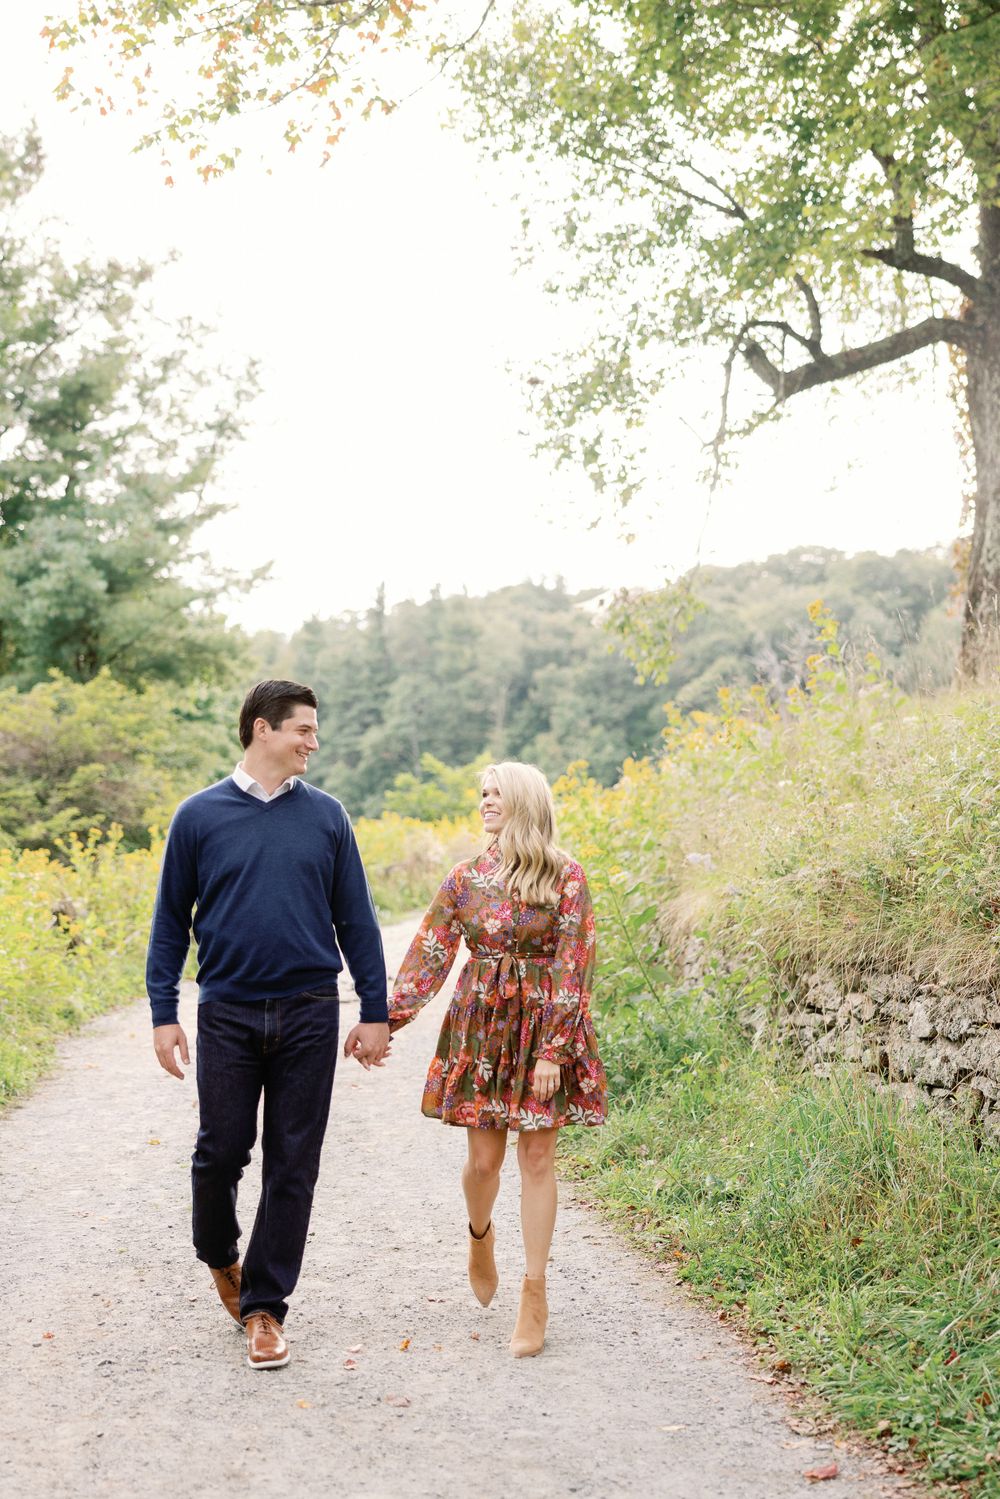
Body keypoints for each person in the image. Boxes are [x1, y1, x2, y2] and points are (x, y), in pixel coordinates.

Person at [146, 679, 390, 1371]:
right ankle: (219, 1252)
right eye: (303, 729)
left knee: (293, 1165)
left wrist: (375, 1009)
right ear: (262, 729)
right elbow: (170, 922)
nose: (314, 741)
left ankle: (264, 1308)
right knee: (220, 1152)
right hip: (225, 1009)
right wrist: (164, 1013)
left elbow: (358, 921)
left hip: (312, 1009)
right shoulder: (197, 816)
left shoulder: (328, 817)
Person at [388, 761, 607, 1358]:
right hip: (481, 1029)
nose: (486, 802)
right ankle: (479, 1236)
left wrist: (556, 1048)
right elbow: (430, 951)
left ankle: (533, 1292)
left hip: (543, 1026)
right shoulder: (465, 879)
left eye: (498, 794)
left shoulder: (565, 876)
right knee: (484, 1163)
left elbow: (574, 961)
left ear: (525, 803)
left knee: (537, 1156)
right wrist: (387, 1020)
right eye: (482, 793)